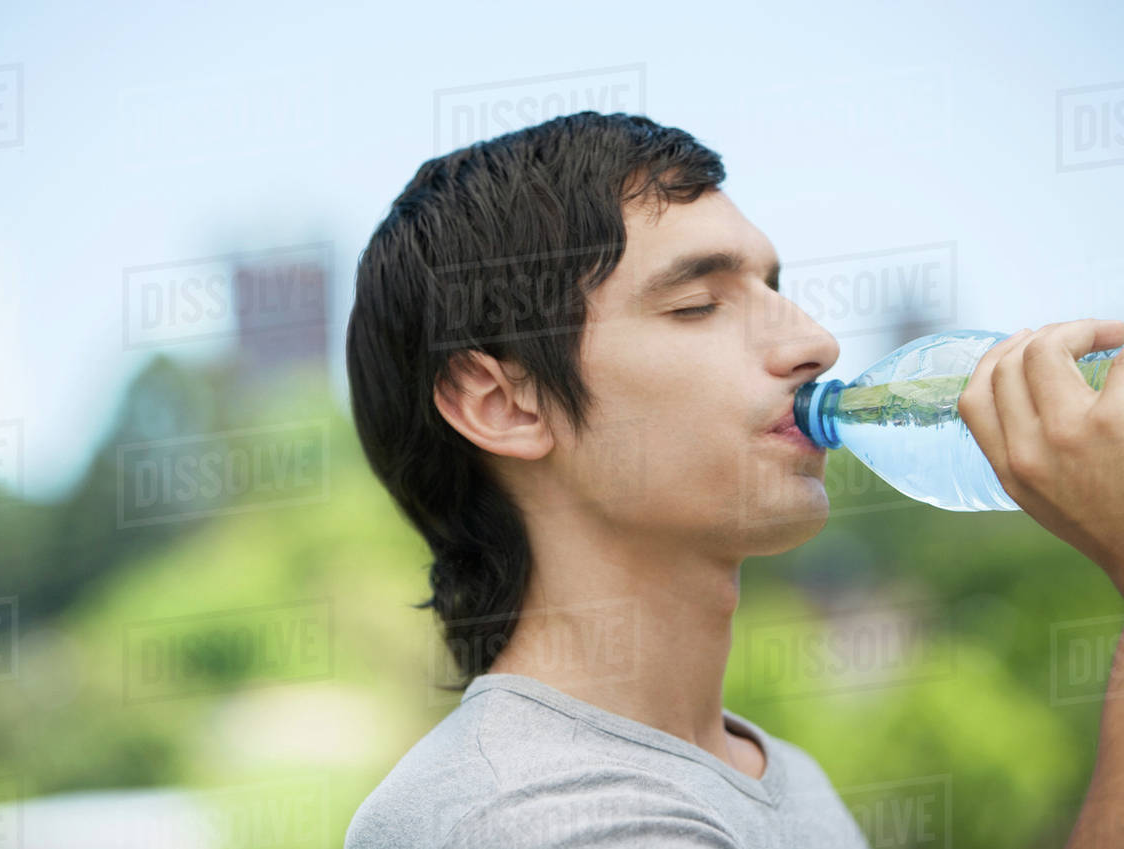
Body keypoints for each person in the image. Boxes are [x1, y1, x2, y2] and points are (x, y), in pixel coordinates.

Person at [342, 111, 1124, 848]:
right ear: (504, 402)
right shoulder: (525, 811)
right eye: (696, 304)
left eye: (773, 290)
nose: (815, 342)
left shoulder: (769, 770)